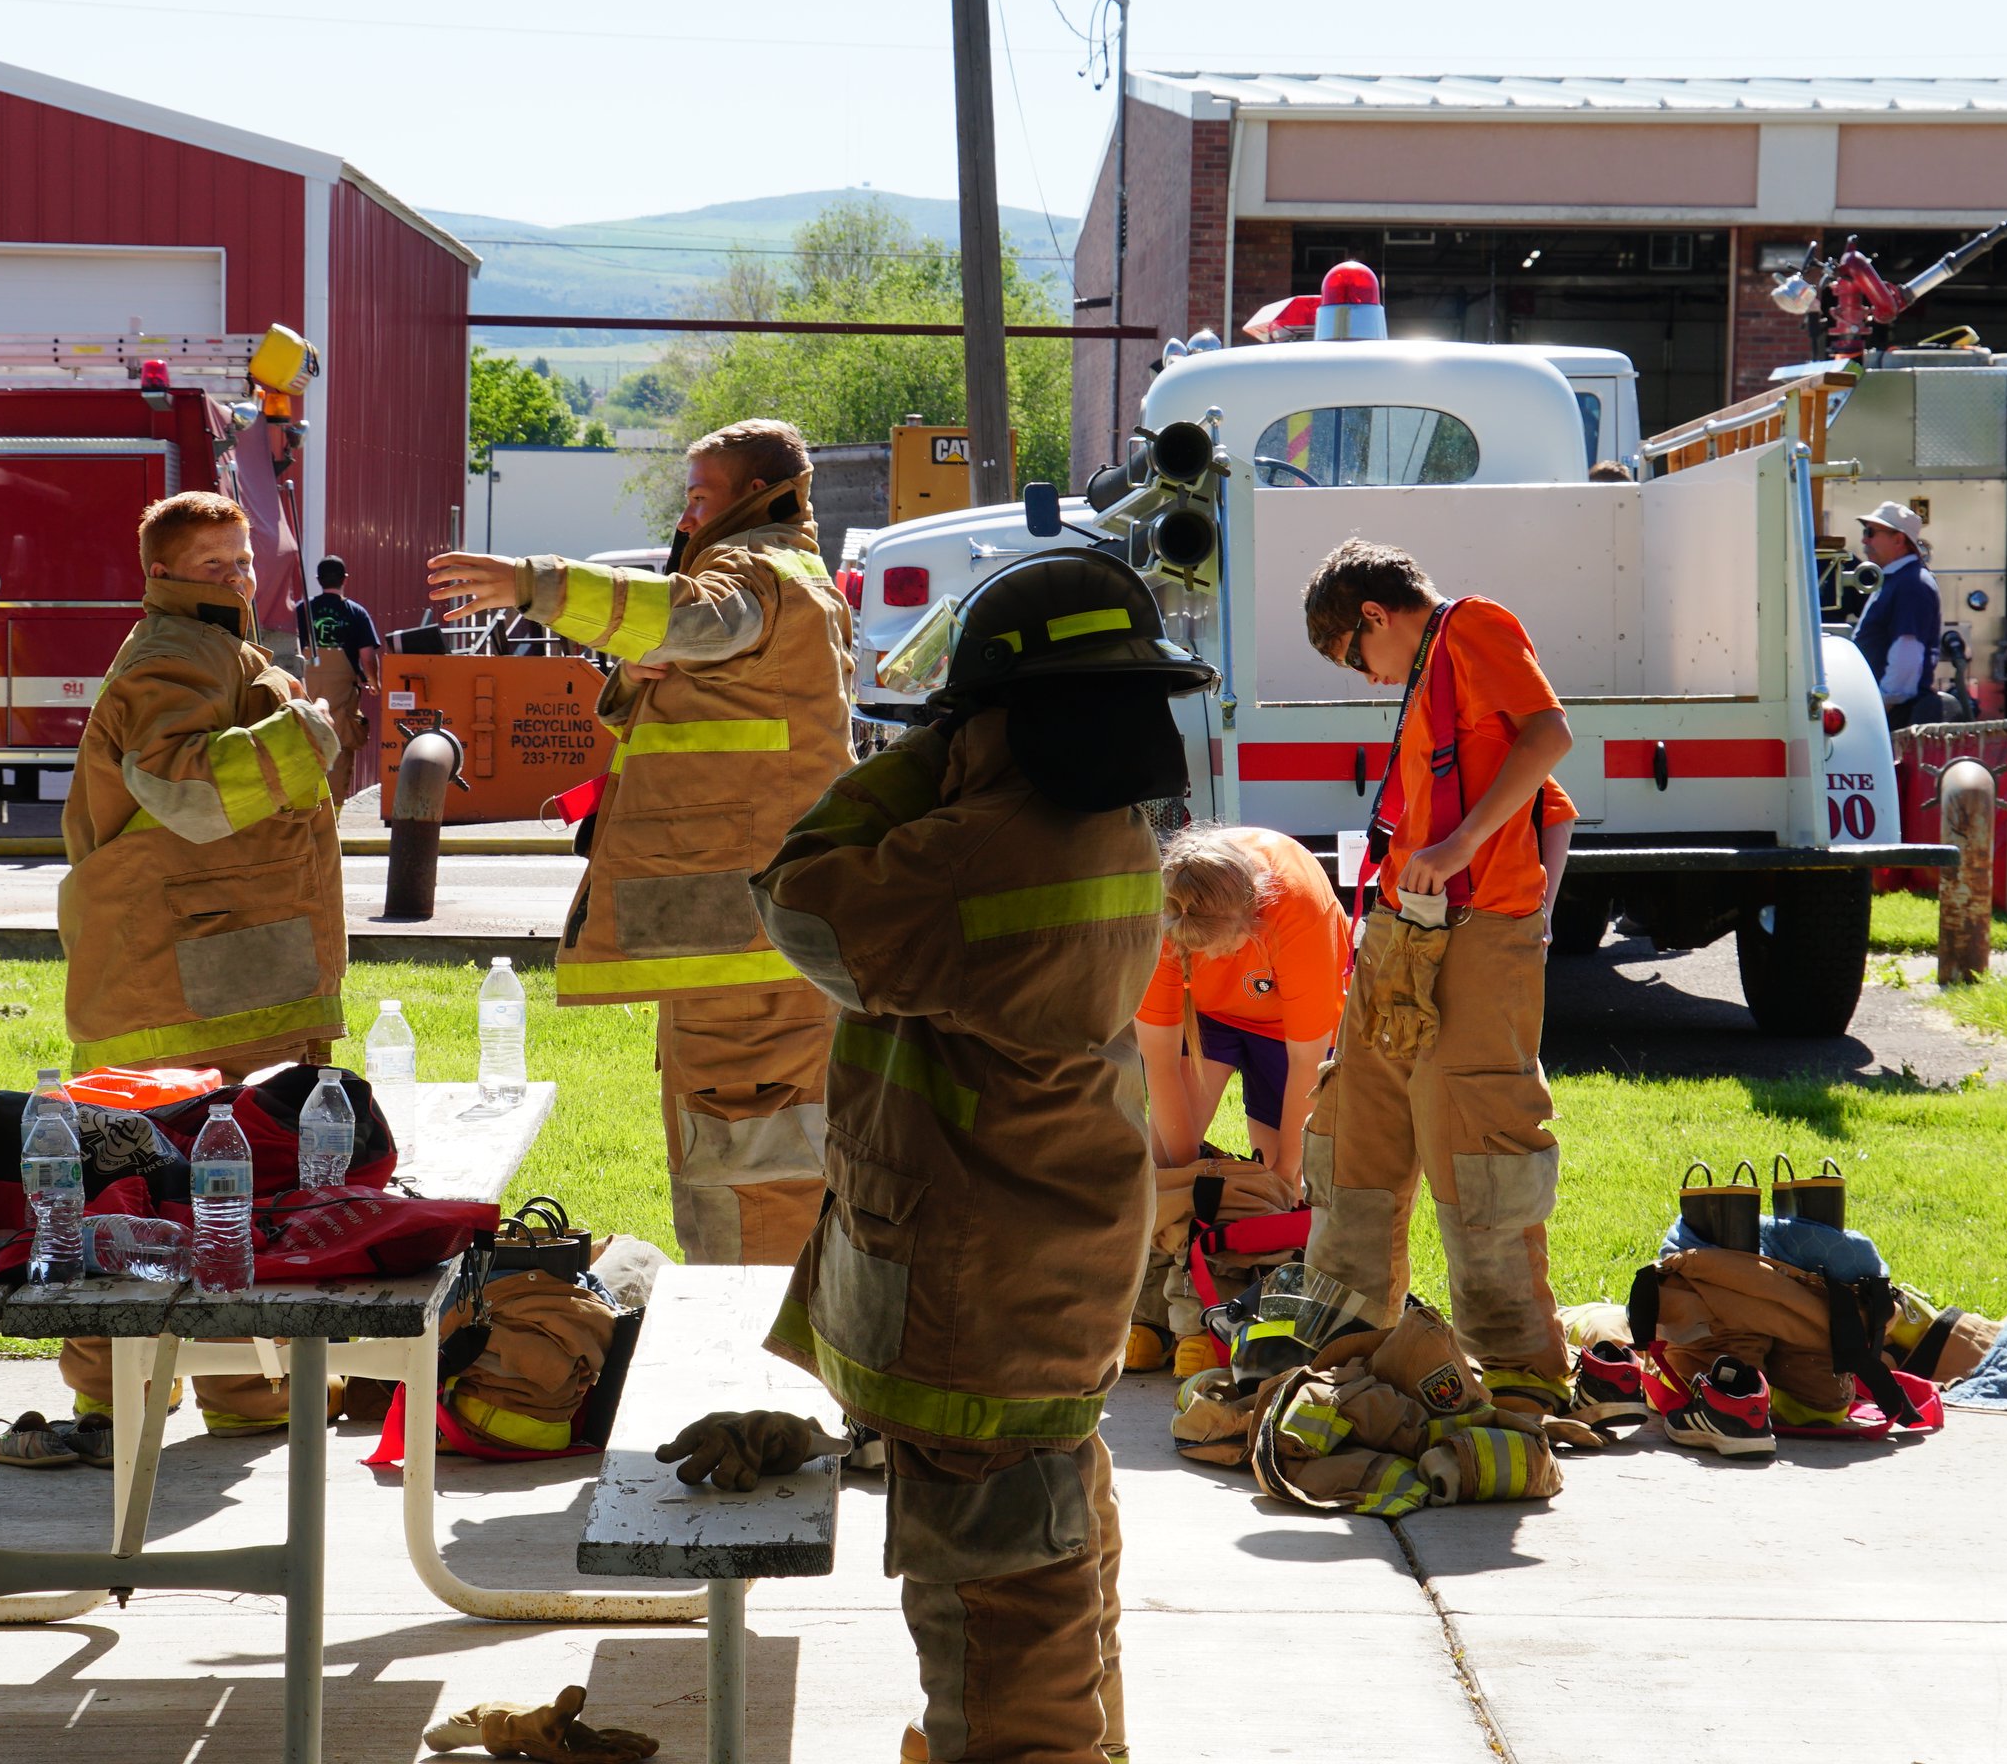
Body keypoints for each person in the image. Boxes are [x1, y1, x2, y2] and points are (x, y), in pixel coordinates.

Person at [724, 547, 1214, 1764]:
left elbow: (797, 895)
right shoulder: (1107, 825)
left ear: (994, 714)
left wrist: (925, 749)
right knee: (1058, 1532)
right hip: (1051, 1261)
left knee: (1000, 1592)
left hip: (976, 1282)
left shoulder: (977, 850)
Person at [425, 420, 851, 1266]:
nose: (686, 518)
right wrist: (633, 673)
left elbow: (698, 619)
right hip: (745, 938)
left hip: (743, 950)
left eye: (700, 497)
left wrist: (535, 585)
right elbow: (696, 696)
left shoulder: (754, 570)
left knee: (748, 1161)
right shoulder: (790, 575)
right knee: (750, 1152)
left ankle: (751, 1331)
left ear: (757, 496)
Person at [54, 489, 345, 1443]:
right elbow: (184, 786)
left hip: (218, 973)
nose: (239, 577)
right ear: (162, 575)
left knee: (222, 1197)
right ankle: (119, 1403)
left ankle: (236, 1393)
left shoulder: (222, 652)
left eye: (244, 559)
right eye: (215, 565)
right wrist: (305, 737)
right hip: (178, 981)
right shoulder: (173, 656)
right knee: (143, 1194)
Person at [1295, 541, 1578, 1414]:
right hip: (1402, 934)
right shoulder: (1431, 681)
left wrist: (1468, 858)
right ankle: (1341, 1348)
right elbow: (1548, 808)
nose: (1367, 678)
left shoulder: (1472, 627)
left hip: (1475, 935)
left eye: (1355, 657)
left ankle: (1519, 1370)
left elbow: (1551, 738)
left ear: (1374, 615)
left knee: (1477, 1141)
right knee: (1356, 1130)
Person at [1136, 827, 1344, 1179]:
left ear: (1255, 919)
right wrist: (1186, 1178)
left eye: (1223, 949)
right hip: (1207, 1015)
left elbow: (1306, 1061)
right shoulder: (1163, 916)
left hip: (1284, 1023)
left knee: (1293, 1173)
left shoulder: (1298, 907)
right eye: (1196, 953)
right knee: (1165, 1164)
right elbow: (1160, 1065)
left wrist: (1281, 1178)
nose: (1212, 959)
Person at [1850, 500, 1941, 730]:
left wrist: (1880, 706)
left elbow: (1906, 655)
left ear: (1899, 539)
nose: (1865, 540)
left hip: (1897, 715)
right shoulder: (1898, 580)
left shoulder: (1911, 584)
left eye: (1871, 533)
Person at [298, 554, 384, 786]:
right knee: (339, 741)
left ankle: (305, 799)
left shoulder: (301, 609)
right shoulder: (356, 612)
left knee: (305, 738)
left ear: (318, 579)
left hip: (306, 687)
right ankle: (333, 803)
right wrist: (374, 683)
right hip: (342, 692)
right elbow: (367, 655)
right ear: (344, 579)